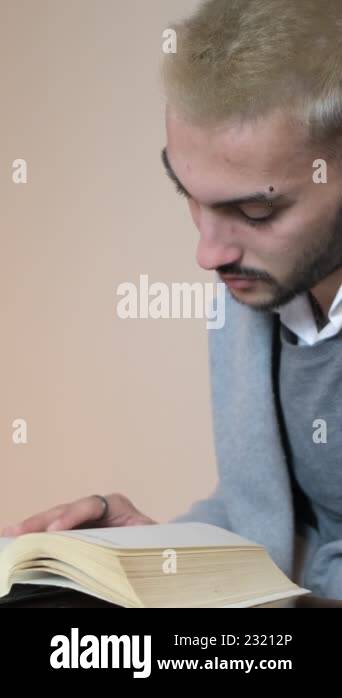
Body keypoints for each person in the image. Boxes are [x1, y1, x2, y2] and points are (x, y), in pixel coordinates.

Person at [3, 0, 342, 598]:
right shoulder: (261, 288)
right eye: (187, 192)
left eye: (255, 209)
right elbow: (280, 518)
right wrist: (159, 553)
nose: (207, 254)